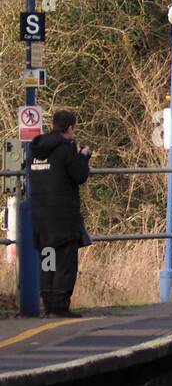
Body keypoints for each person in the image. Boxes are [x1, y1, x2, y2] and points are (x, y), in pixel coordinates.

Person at [28, 110, 91, 317]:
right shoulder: (66, 150)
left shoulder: (35, 152)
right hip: (63, 218)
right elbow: (79, 175)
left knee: (48, 260)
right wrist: (83, 157)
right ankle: (60, 306)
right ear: (70, 128)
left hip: (40, 217)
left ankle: (48, 304)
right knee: (65, 263)